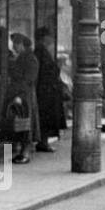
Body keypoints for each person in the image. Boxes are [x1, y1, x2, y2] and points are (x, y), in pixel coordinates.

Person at [8, 33, 40, 163]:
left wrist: (20, 95)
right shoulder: (21, 57)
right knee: (20, 122)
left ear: (23, 45)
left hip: (24, 95)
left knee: (26, 122)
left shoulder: (30, 59)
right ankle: (22, 151)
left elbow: (29, 79)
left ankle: (25, 152)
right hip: (19, 94)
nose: (14, 46)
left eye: (17, 44)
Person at [32, 27, 63, 152]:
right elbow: (47, 72)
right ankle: (42, 142)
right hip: (44, 92)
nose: (52, 38)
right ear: (44, 37)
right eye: (50, 35)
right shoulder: (41, 51)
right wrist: (57, 67)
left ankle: (43, 141)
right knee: (45, 117)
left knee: (45, 118)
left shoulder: (42, 51)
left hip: (45, 90)